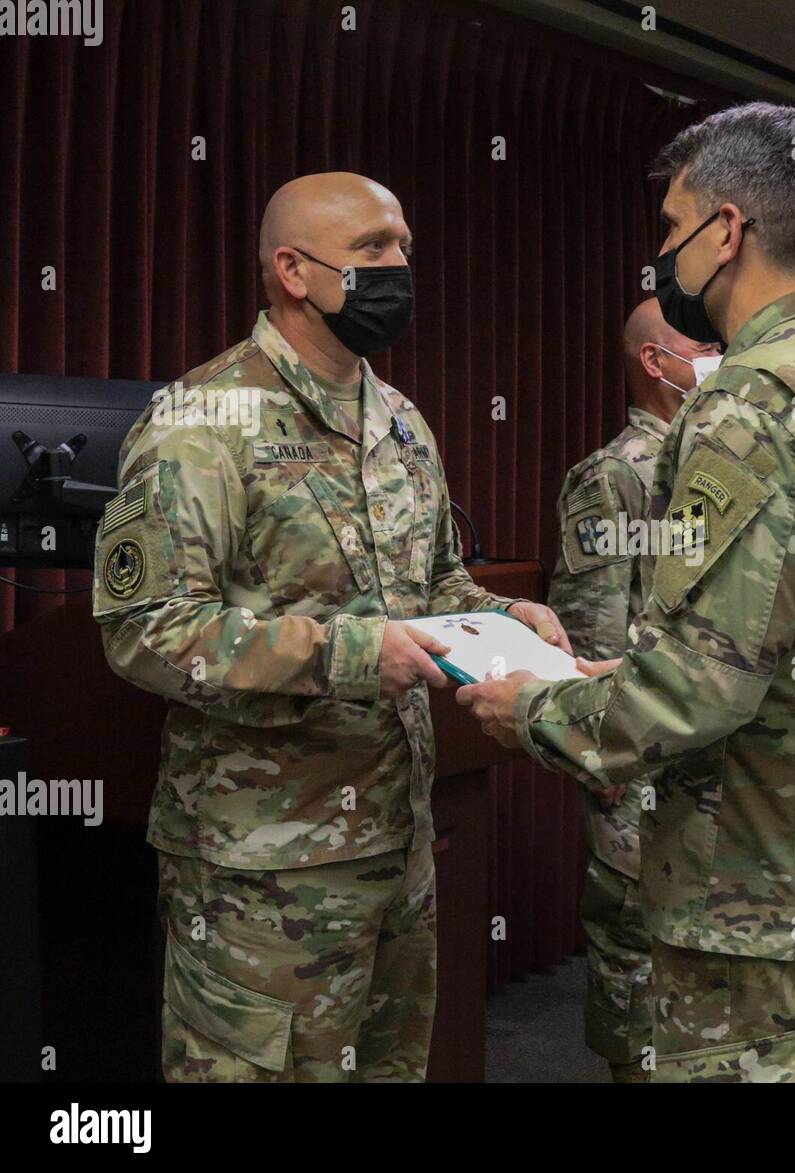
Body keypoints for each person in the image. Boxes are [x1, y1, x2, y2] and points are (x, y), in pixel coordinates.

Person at [458, 101, 795, 1084]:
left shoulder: (751, 400)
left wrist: (537, 709)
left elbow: (700, 687)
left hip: (765, 896)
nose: (663, 254)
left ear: (724, 229)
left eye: (669, 228)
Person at [93, 172, 566, 1082]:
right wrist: (355, 652)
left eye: (405, 249)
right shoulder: (202, 421)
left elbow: (432, 582)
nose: (400, 266)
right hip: (261, 869)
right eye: (374, 249)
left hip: (397, 842)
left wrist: (506, 618)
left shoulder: (399, 420)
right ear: (293, 271)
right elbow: (146, 629)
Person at [547, 298, 719, 1082]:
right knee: (637, 950)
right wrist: (604, 754)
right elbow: (589, 632)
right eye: (703, 343)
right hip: (639, 762)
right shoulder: (615, 474)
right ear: (655, 362)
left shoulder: (718, 462)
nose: (720, 352)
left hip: (714, 755)